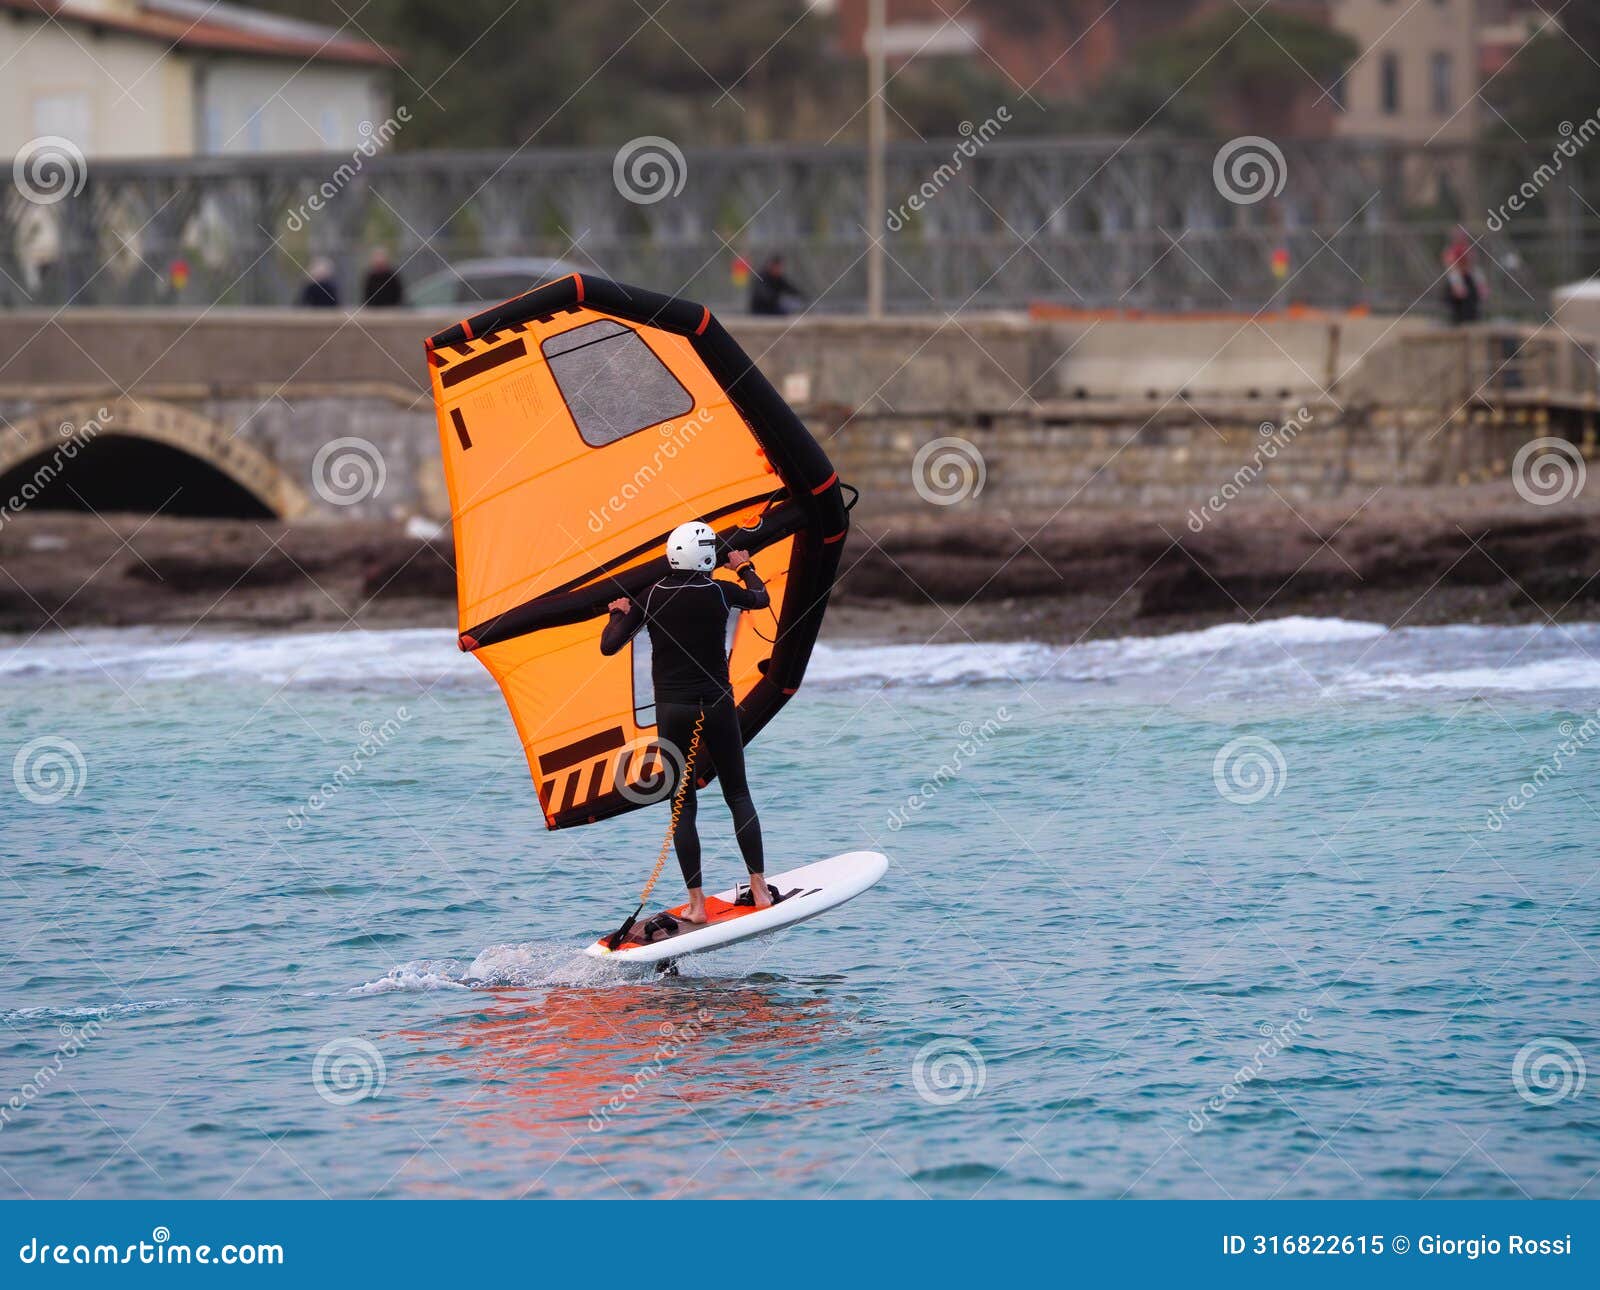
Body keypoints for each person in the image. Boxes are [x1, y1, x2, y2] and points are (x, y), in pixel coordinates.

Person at [600, 521, 771, 923]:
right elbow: (760, 598)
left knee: (682, 804)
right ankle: (760, 889)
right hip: (716, 704)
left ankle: (696, 905)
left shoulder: (651, 595)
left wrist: (615, 614)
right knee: (738, 795)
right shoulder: (719, 591)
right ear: (706, 556)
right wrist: (743, 567)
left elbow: (610, 646)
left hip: (673, 710)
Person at [1443, 226, 1486, 325]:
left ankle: (1481, 288)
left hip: (1467, 273)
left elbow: (1472, 262)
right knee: (1454, 275)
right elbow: (1450, 263)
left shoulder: (1468, 248)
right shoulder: (1452, 249)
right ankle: (1459, 289)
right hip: (1457, 272)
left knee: (1478, 273)